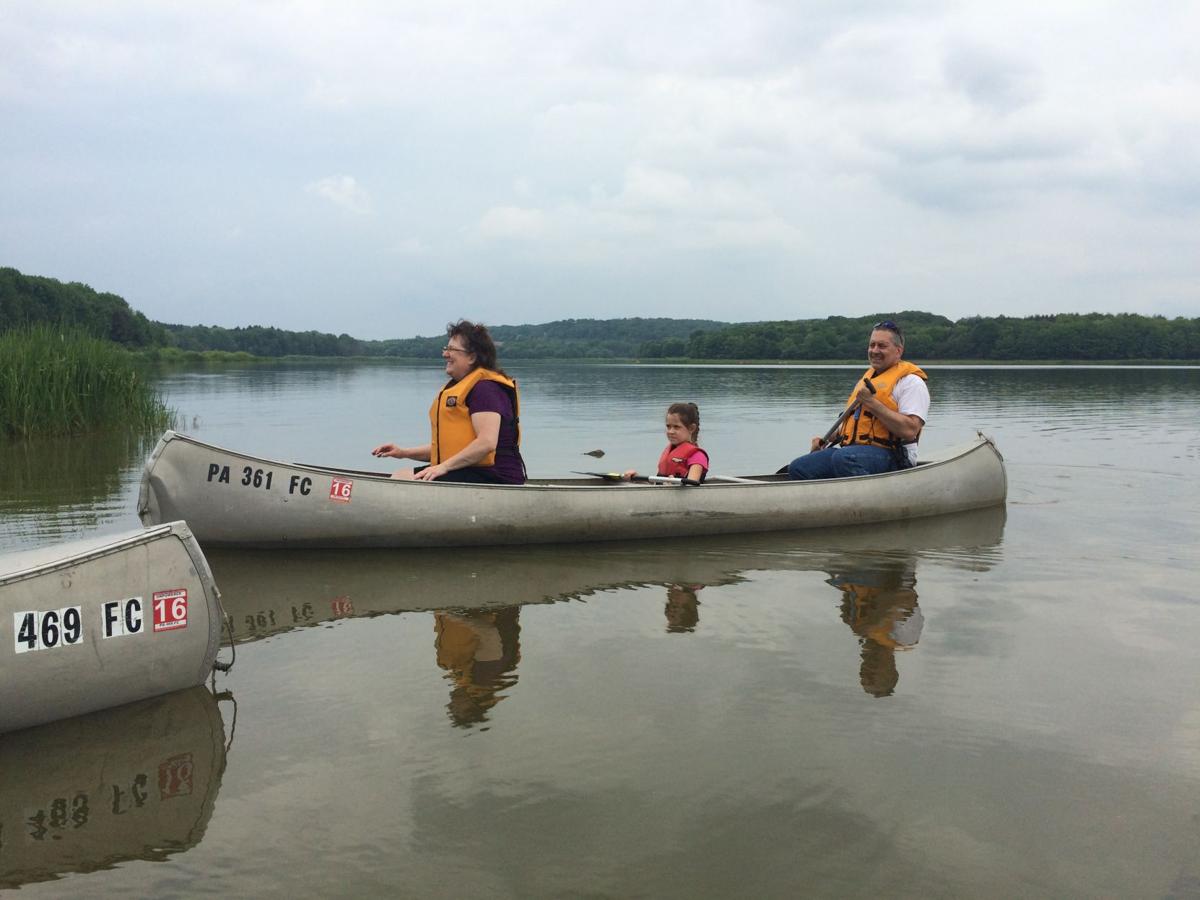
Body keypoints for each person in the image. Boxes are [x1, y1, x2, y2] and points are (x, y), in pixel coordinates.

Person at [371, 320, 526, 484]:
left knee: (404, 478)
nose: (445, 354)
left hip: (495, 477)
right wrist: (403, 452)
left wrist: (442, 467)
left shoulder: (485, 390)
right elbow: (445, 450)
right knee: (403, 474)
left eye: (452, 349)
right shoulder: (468, 387)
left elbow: (486, 443)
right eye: (446, 348)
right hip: (472, 472)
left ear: (472, 357)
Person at [787, 320, 929, 480]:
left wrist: (872, 402)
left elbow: (909, 430)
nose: (875, 350)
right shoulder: (866, 380)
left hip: (895, 457)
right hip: (854, 453)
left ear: (898, 351)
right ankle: (832, 501)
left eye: (882, 346)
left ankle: (877, 498)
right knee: (799, 467)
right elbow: (858, 422)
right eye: (872, 345)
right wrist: (828, 440)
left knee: (843, 458)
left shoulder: (911, 383)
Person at [624, 402, 710, 484]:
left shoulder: (697, 456)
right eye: (668, 426)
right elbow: (657, 484)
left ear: (691, 428)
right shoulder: (670, 451)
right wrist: (636, 478)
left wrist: (675, 484)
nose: (670, 431)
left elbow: (691, 487)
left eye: (676, 427)